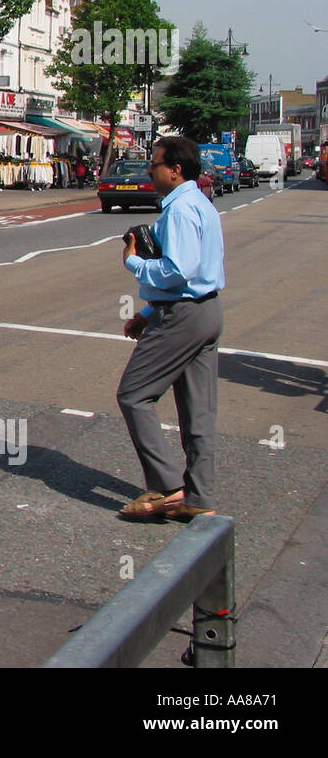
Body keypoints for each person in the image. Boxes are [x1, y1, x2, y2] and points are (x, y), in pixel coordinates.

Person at [116, 136, 225, 522]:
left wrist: (134, 264)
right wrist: (148, 310)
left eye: (155, 163)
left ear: (175, 170)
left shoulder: (178, 211)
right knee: (198, 413)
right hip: (206, 311)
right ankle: (199, 496)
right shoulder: (202, 204)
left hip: (180, 317)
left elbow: (179, 270)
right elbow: (197, 274)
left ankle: (166, 488)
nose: (149, 169)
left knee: (133, 395)